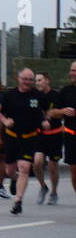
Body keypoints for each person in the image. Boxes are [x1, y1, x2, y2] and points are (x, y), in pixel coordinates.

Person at [0, 69, 47, 216]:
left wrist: (45, 121)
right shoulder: (10, 95)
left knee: (25, 167)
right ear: (18, 79)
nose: (27, 82)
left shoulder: (38, 96)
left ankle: (18, 201)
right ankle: (14, 179)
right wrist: (6, 121)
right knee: (10, 170)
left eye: (30, 80)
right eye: (24, 79)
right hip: (12, 137)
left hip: (30, 137)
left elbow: (45, 112)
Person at [33, 72, 61, 205]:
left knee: (52, 167)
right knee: (37, 162)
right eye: (36, 80)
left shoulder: (56, 96)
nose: (37, 82)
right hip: (40, 135)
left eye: (40, 80)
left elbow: (58, 112)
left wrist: (50, 118)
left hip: (55, 134)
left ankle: (54, 192)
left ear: (47, 81)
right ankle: (43, 186)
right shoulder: (34, 96)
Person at [52, 61, 76, 202]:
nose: (71, 73)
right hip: (71, 136)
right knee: (74, 171)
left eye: (74, 71)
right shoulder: (65, 91)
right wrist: (63, 111)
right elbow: (53, 112)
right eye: (71, 70)